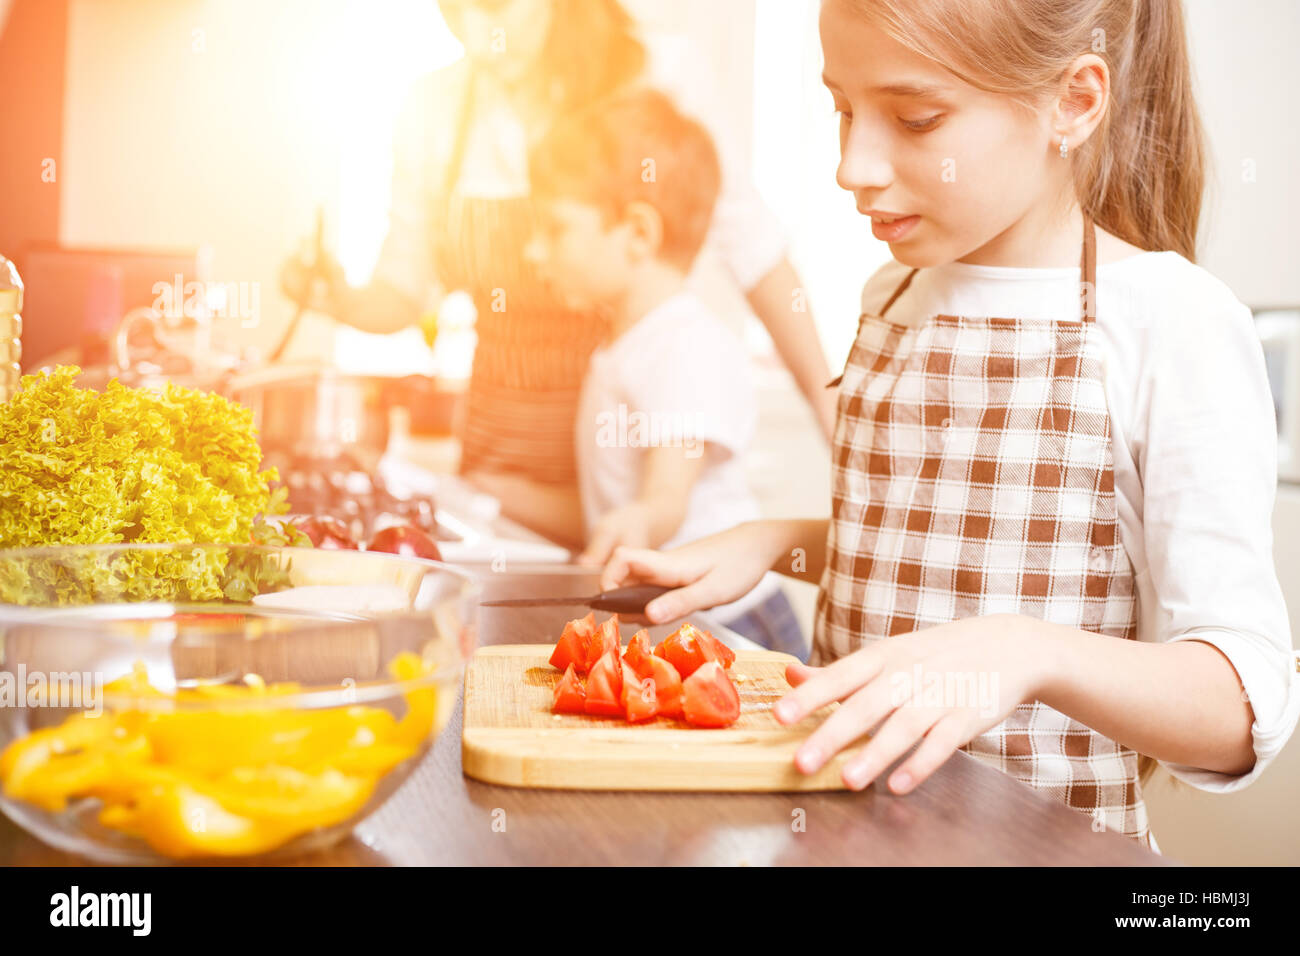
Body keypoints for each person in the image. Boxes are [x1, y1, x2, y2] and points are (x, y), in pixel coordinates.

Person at [598, 0, 1300, 850]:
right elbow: (944, 545)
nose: (852, 167)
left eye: (915, 118)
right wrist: (771, 541)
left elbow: (1243, 703)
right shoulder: (888, 297)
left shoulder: (1170, 320)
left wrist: (1026, 651)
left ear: (1074, 104)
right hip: (847, 840)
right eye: (843, 109)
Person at [281, 0, 837, 546]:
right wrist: (341, 300)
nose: (475, 37)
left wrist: (832, 412)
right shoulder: (436, 106)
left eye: (496, 7)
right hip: (502, 458)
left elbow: (757, 253)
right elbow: (404, 290)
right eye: (453, 10)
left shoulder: (656, 72)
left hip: (611, 472)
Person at [522, 87, 805, 657]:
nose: (533, 251)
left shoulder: (682, 344)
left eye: (554, 229)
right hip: (689, 608)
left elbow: (666, 497)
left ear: (638, 234)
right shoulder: (632, 342)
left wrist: (643, 522)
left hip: (734, 618)